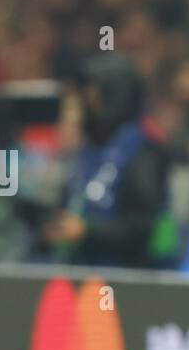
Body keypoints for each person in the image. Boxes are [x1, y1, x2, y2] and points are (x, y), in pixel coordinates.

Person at [42, 54, 175, 268]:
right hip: (79, 272)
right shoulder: (90, 147)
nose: (87, 102)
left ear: (115, 94)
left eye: (94, 94)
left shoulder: (143, 150)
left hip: (129, 279)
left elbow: (142, 228)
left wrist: (88, 232)